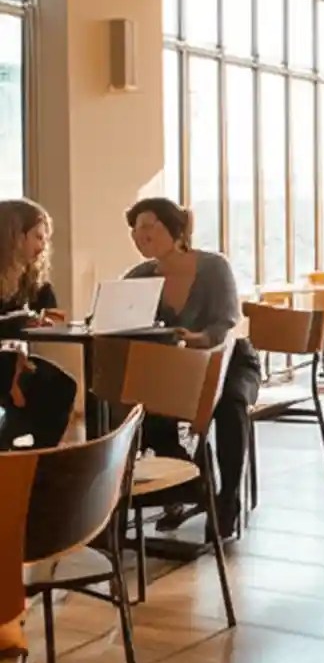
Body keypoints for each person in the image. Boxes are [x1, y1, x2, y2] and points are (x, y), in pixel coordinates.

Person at [123, 197, 261, 539]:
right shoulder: (138, 276)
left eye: (148, 227)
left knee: (230, 406)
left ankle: (226, 500)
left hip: (230, 362)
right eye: (135, 230)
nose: (140, 236)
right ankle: (193, 484)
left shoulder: (214, 267)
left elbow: (227, 323)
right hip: (179, 371)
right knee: (144, 411)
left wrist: (200, 338)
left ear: (175, 229)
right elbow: (115, 315)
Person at [0, 199, 58, 337]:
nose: (43, 247)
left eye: (45, 240)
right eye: (38, 237)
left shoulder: (41, 289)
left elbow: (56, 328)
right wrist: (18, 322)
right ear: (16, 236)